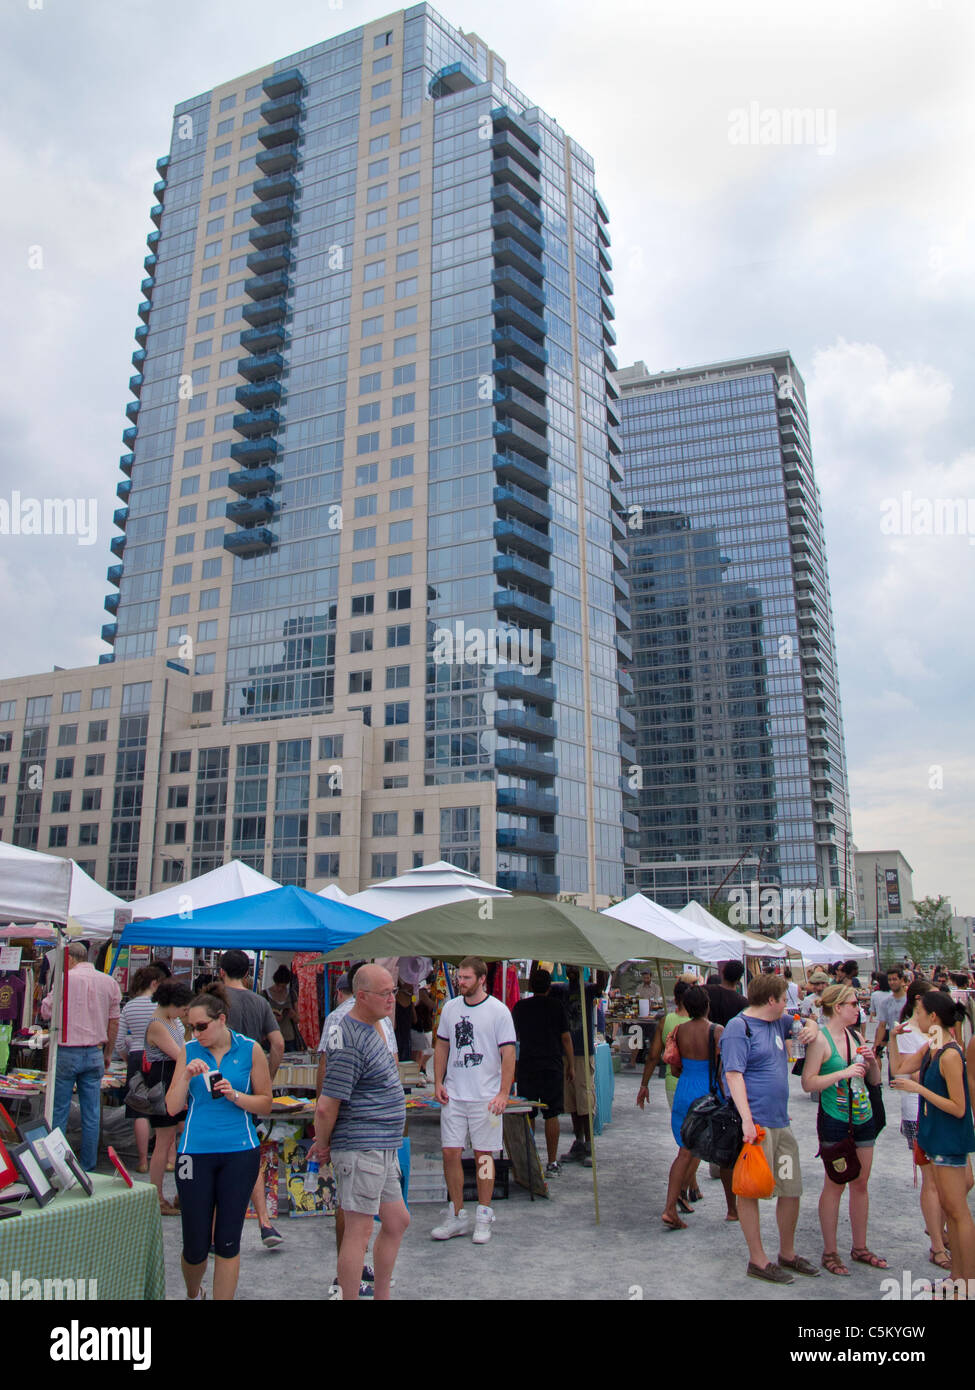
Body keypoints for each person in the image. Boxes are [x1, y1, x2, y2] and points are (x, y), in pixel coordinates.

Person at [166, 984, 273, 1301]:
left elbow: (266, 1103)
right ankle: (192, 1291)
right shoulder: (189, 1050)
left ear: (222, 1019)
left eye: (202, 1026)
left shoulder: (249, 1048)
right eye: (191, 1027)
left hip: (239, 1151)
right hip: (194, 1153)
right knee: (195, 1244)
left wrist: (235, 1095)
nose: (196, 1033)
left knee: (228, 1240)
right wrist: (186, 1077)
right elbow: (171, 1108)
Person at [310, 965, 410, 1300]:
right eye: (385, 993)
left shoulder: (377, 1025)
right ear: (362, 996)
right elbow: (327, 1104)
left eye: (393, 991)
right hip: (362, 1146)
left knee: (396, 1220)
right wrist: (322, 1146)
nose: (392, 999)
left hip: (382, 1145)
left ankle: (382, 1294)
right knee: (359, 1229)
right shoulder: (347, 1032)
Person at [721, 973, 821, 1284]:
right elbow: (734, 1075)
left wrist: (811, 1028)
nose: (787, 1004)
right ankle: (758, 1258)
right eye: (783, 999)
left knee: (790, 1187)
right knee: (750, 1188)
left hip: (781, 1121)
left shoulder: (778, 1021)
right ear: (771, 1001)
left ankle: (787, 1253)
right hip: (757, 1126)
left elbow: (808, 1019)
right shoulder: (740, 1028)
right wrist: (747, 1120)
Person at [891, 990, 975, 1293]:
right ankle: (957, 1277)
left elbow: (959, 1107)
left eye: (920, 1012)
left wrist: (920, 1091)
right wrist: (892, 1038)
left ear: (934, 1017)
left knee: (957, 1211)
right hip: (936, 1136)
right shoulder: (932, 1047)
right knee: (950, 1210)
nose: (917, 1017)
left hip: (950, 1138)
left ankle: (968, 1281)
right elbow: (899, 1068)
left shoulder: (950, 1054)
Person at [801, 983, 885, 1275]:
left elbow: (874, 1080)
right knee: (835, 1183)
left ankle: (860, 1246)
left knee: (861, 1182)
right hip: (836, 1119)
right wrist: (842, 1072)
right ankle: (830, 1251)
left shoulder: (856, 1035)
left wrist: (873, 1062)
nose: (858, 1008)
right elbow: (808, 1082)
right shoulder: (821, 1040)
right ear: (837, 1007)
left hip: (863, 1116)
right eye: (853, 1004)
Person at [432, 956, 516, 1244]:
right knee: (450, 1153)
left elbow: (508, 1055)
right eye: (460, 977)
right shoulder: (450, 1008)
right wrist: (438, 1081)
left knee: (484, 1155)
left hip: (486, 1098)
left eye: (467, 977)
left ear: (482, 979)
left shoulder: (499, 1011)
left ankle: (484, 1213)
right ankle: (456, 1213)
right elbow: (442, 1045)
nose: (461, 981)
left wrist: (504, 1093)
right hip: (455, 1095)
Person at [217, 949, 285, 1250]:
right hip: (249, 1090)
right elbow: (278, 1044)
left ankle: (215, 1230)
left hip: (215, 1087)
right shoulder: (260, 1002)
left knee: (214, 1155)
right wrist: (265, 1079)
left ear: (221, 971)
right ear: (247, 973)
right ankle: (264, 1222)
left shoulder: (215, 1003)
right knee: (248, 1152)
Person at [887, 978, 951, 1271]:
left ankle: (938, 1228)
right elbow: (901, 1073)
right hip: (918, 1112)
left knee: (956, 1180)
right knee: (932, 1181)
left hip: (938, 1112)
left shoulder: (934, 1032)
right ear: (920, 1003)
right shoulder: (909, 1032)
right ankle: (937, 1243)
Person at [41, 941, 122, 1172]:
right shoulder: (109, 982)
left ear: (70, 959)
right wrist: (108, 1053)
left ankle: (56, 1165)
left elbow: (46, 1010)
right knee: (92, 1113)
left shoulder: (66, 979)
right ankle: (88, 1166)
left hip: (68, 1050)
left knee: (59, 1111)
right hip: (95, 1051)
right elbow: (113, 1021)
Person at [661, 986, 737, 1228]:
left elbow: (674, 1065)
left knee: (684, 1151)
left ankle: (670, 1208)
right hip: (708, 1090)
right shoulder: (717, 1030)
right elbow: (724, 1066)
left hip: (684, 1087)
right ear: (707, 1005)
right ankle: (732, 1209)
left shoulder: (679, 1030)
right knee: (724, 1152)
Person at [512, 968, 573, 1175]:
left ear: (530, 986)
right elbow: (566, 1038)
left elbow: (513, 1038)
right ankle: (552, 1161)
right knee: (552, 1112)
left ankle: (530, 1160)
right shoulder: (557, 1006)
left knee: (528, 1111)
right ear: (550, 987)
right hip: (552, 1064)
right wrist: (571, 1064)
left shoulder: (520, 1007)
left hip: (528, 1063)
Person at [550, 966, 610, 1166]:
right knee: (572, 1103)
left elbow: (602, 984)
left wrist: (599, 964)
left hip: (583, 1053)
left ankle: (589, 1145)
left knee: (585, 1100)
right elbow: (537, 984)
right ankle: (579, 1141)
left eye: (576, 966)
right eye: (570, 966)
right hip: (566, 1053)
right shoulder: (561, 990)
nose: (572, 970)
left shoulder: (588, 989)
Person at [144, 979, 193, 1213]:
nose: (185, 1012)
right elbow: (179, 1053)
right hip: (163, 1082)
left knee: (172, 1138)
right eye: (183, 1007)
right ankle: (156, 1196)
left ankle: (168, 1194)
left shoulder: (171, 1021)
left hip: (172, 1079)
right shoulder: (157, 1024)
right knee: (163, 1141)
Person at [115, 965, 165, 1173]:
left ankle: (142, 1160)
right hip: (159, 1057)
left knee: (139, 1110)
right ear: (154, 983)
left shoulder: (129, 1007)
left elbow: (118, 1042)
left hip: (136, 1056)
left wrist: (128, 1059)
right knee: (161, 1108)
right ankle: (166, 1158)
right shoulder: (162, 1005)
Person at [262, 965, 303, 1053]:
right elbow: (259, 1018)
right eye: (278, 986)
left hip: (289, 1038)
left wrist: (293, 1015)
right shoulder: (264, 994)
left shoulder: (292, 994)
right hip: (271, 1039)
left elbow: (298, 1019)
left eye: (283, 987)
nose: (280, 989)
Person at [873, 965, 908, 1059]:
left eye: (895, 979)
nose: (892, 982)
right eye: (889, 980)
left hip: (909, 1045)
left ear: (901, 980)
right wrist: (876, 1047)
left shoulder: (910, 1001)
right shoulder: (885, 1002)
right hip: (893, 1046)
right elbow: (882, 1026)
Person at [705, 960, 747, 1026]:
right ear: (739, 979)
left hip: (705, 1033)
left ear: (723, 972)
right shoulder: (743, 1003)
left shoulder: (705, 991)